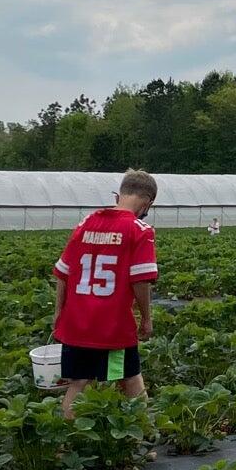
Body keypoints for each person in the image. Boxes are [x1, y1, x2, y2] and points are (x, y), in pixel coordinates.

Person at [52, 169, 159, 419]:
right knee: (130, 378)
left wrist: (59, 312)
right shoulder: (139, 230)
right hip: (112, 326)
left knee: (78, 383)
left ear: (118, 195)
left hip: (77, 322)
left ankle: (67, 442)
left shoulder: (85, 223)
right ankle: (140, 438)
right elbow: (141, 281)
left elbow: (62, 273)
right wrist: (146, 317)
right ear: (147, 202)